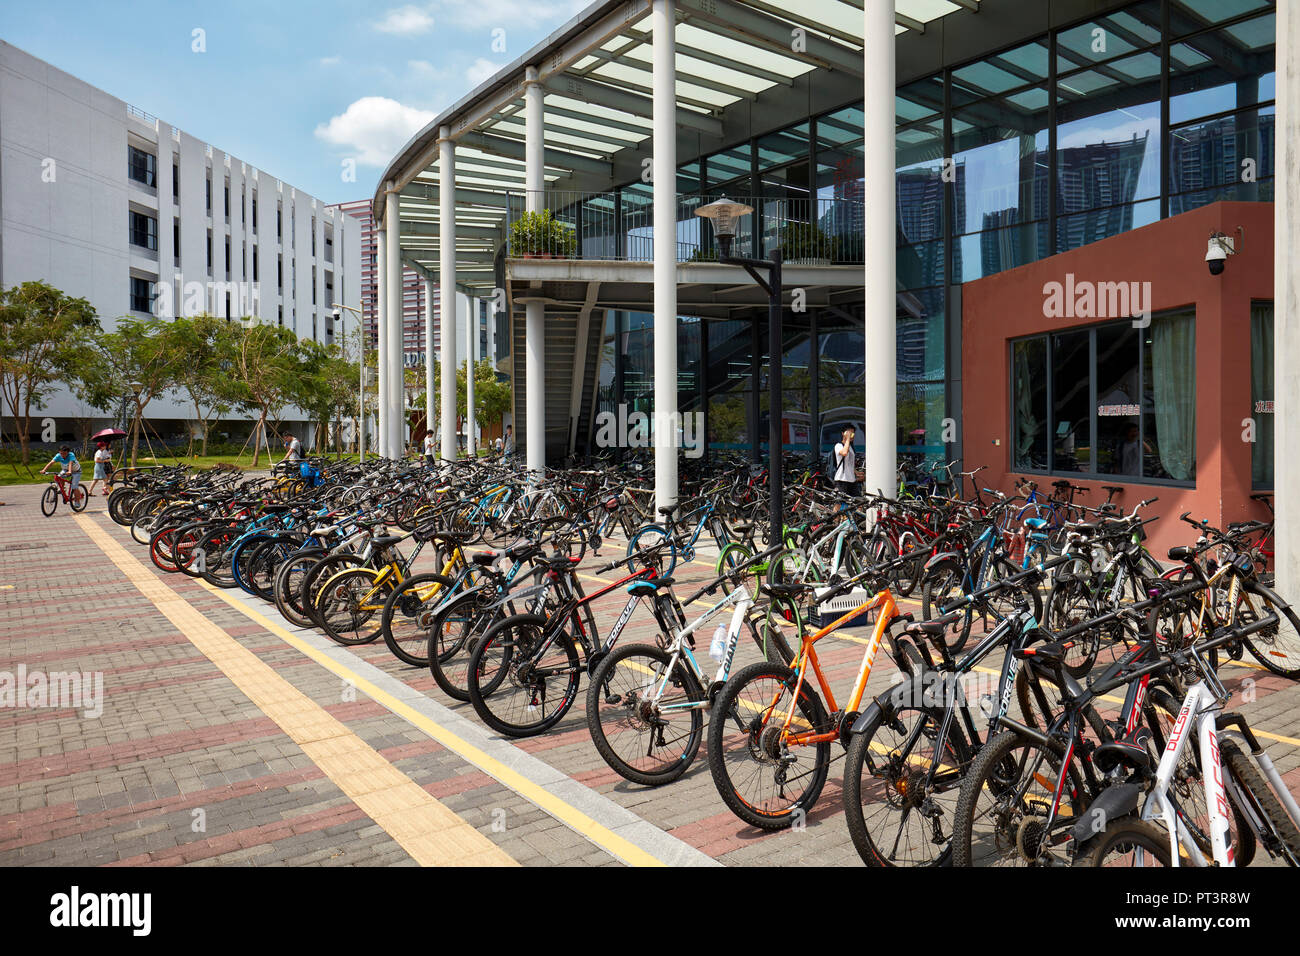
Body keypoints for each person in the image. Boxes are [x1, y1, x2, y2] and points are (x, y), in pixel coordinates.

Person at [833, 425, 859, 496]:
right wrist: (847, 439)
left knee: (859, 502)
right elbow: (844, 453)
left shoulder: (851, 447)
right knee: (838, 502)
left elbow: (849, 463)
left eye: (853, 434)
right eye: (849, 433)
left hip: (852, 480)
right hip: (842, 479)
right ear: (843, 434)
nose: (851, 436)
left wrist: (856, 472)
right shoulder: (838, 445)